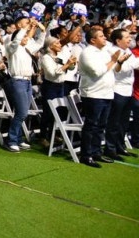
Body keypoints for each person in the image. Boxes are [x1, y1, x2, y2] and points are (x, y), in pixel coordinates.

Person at [77, 27, 123, 167]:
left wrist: (118, 62)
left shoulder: (104, 51)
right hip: (93, 94)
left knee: (101, 126)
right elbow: (97, 72)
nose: (105, 38)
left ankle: (96, 152)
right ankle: (86, 155)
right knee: (91, 125)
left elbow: (114, 70)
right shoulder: (87, 53)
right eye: (101, 36)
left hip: (106, 93)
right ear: (93, 40)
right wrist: (113, 60)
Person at [4, 13, 45, 152]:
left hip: (27, 81)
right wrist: (26, 28)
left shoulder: (26, 45)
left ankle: (18, 138)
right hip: (17, 80)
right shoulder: (11, 43)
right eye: (25, 23)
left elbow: (39, 44)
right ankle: (11, 140)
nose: (28, 24)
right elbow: (16, 41)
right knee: (21, 112)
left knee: (23, 112)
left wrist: (43, 30)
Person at [104, 28, 139, 159]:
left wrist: (133, 62)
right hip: (117, 90)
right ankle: (110, 148)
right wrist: (132, 62)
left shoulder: (127, 51)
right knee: (114, 122)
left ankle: (120, 146)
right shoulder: (114, 51)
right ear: (118, 41)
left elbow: (134, 64)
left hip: (128, 90)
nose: (130, 39)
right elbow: (121, 69)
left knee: (123, 122)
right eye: (127, 37)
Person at [40, 36, 77, 147]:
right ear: (50, 46)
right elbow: (52, 73)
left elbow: (69, 69)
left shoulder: (60, 55)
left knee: (58, 112)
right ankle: (43, 137)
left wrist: (72, 63)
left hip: (61, 85)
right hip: (50, 86)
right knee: (48, 112)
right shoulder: (46, 57)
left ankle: (52, 134)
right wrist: (66, 65)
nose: (60, 45)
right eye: (57, 43)